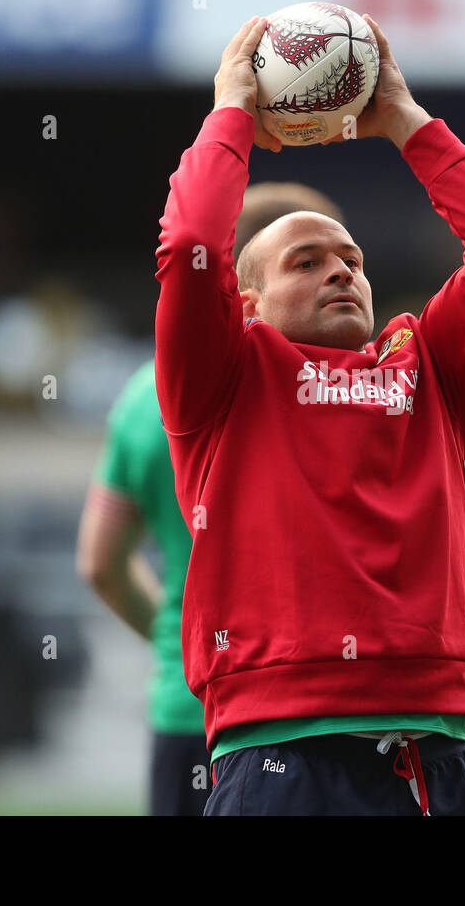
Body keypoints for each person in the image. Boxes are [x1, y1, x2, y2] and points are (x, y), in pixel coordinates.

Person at [154, 15, 465, 815]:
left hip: (433, 749)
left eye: (352, 260)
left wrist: (403, 118)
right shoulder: (222, 379)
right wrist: (232, 111)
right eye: (307, 261)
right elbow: (194, 239)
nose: (341, 271)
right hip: (279, 752)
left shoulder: (426, 365)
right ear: (247, 302)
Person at [76, 182, 345, 815]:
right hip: (313, 710)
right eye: (311, 259)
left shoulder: (145, 398)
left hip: (190, 705)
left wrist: (183, 644)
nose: (339, 272)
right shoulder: (347, 384)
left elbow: (99, 563)